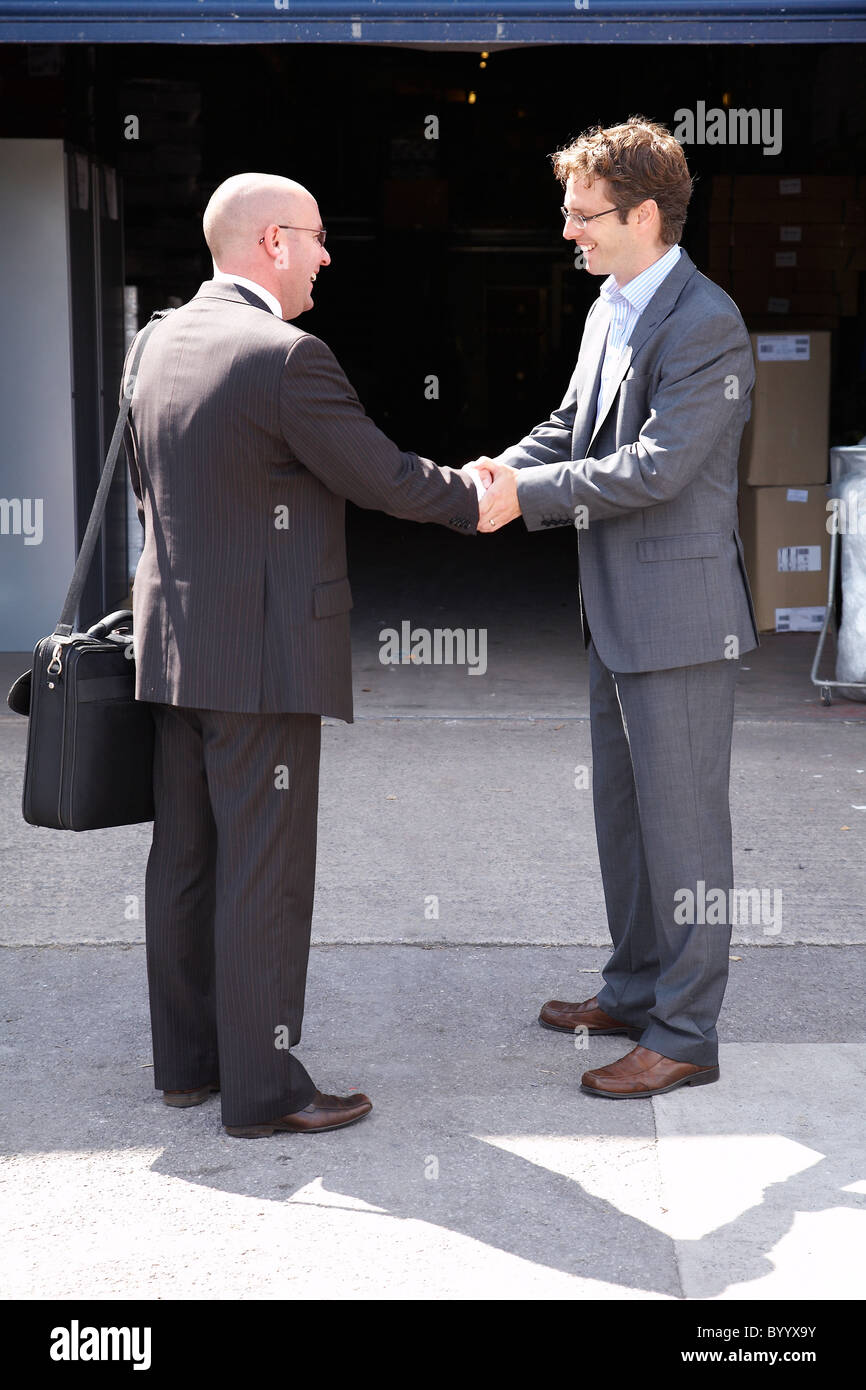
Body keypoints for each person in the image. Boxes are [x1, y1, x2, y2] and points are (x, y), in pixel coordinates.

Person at [122, 173, 481, 1138]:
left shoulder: (155, 341)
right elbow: (383, 476)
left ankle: (191, 1068)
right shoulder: (288, 357)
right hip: (266, 655)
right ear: (273, 242)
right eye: (318, 239)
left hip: (173, 650)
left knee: (187, 862)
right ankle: (266, 1091)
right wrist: (477, 495)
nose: (327, 256)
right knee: (265, 875)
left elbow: (155, 495)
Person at [472, 117, 760, 1098]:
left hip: (679, 621)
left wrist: (528, 501)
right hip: (616, 614)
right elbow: (569, 427)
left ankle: (683, 1032)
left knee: (683, 836)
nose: (568, 230)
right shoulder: (609, 307)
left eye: (583, 213)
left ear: (643, 214)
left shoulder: (704, 320)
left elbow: (658, 466)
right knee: (626, 824)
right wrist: (488, 477)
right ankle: (634, 988)